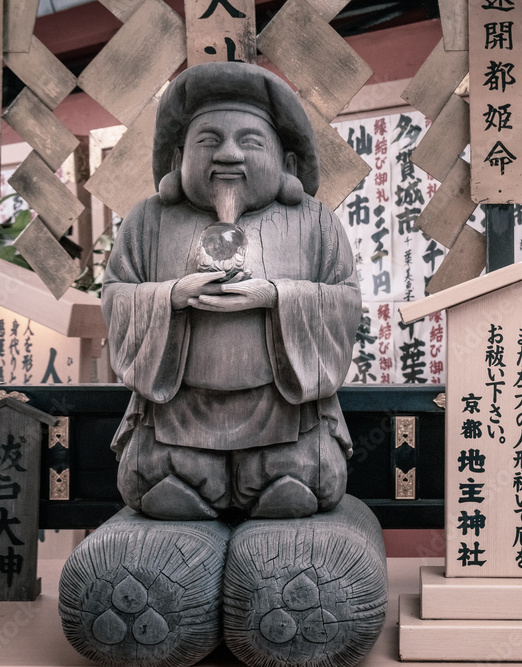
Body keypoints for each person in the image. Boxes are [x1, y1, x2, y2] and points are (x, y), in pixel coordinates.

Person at [101, 62, 361, 521]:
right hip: (179, 411)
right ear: (178, 159)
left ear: (287, 163)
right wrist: (171, 296)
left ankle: (278, 476)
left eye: (250, 141)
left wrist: (276, 296)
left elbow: (344, 300)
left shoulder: (316, 222)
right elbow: (117, 294)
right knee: (151, 472)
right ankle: (185, 477)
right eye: (208, 140)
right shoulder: (148, 221)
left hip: (281, 412)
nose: (227, 154)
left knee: (310, 469)